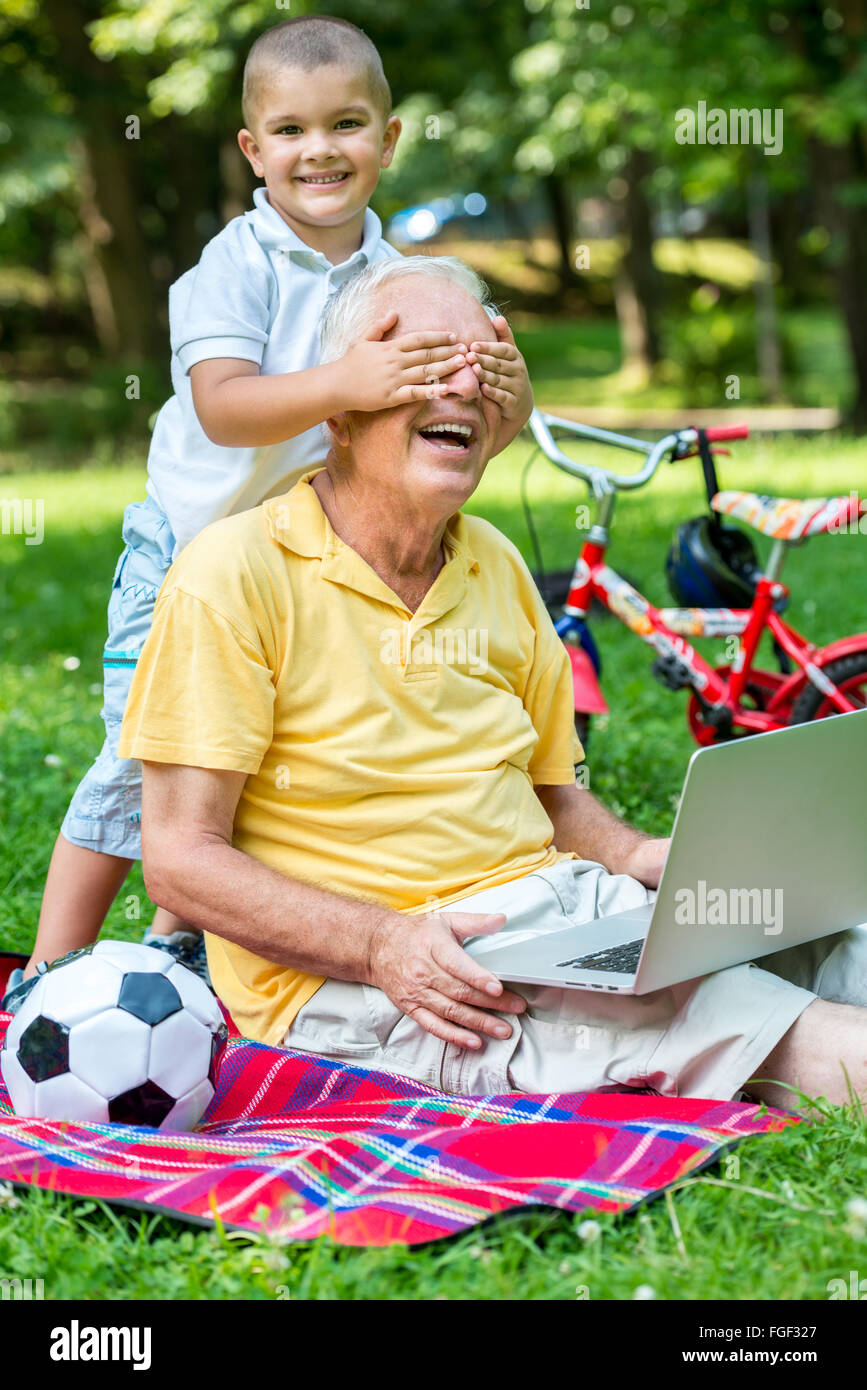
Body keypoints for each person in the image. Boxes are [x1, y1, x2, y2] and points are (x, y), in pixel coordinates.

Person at [114, 254, 867, 1112]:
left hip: (559, 915)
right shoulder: (234, 572)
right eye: (425, 363)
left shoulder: (494, 563)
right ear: (339, 411)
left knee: (833, 936)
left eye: (485, 366)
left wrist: (642, 859)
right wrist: (380, 943)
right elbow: (178, 859)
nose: (463, 388)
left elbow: (550, 795)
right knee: (732, 1011)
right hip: (378, 978)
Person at [4, 16, 532, 1008]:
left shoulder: (395, 277)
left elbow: (477, 425)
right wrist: (346, 378)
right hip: (186, 553)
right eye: (290, 130)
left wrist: (511, 386)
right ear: (253, 149)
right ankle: (44, 971)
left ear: (389, 139)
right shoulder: (234, 266)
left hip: (294, 564)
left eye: (346, 124)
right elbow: (223, 405)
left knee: (247, 767)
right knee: (140, 765)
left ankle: (176, 950)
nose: (319, 149)